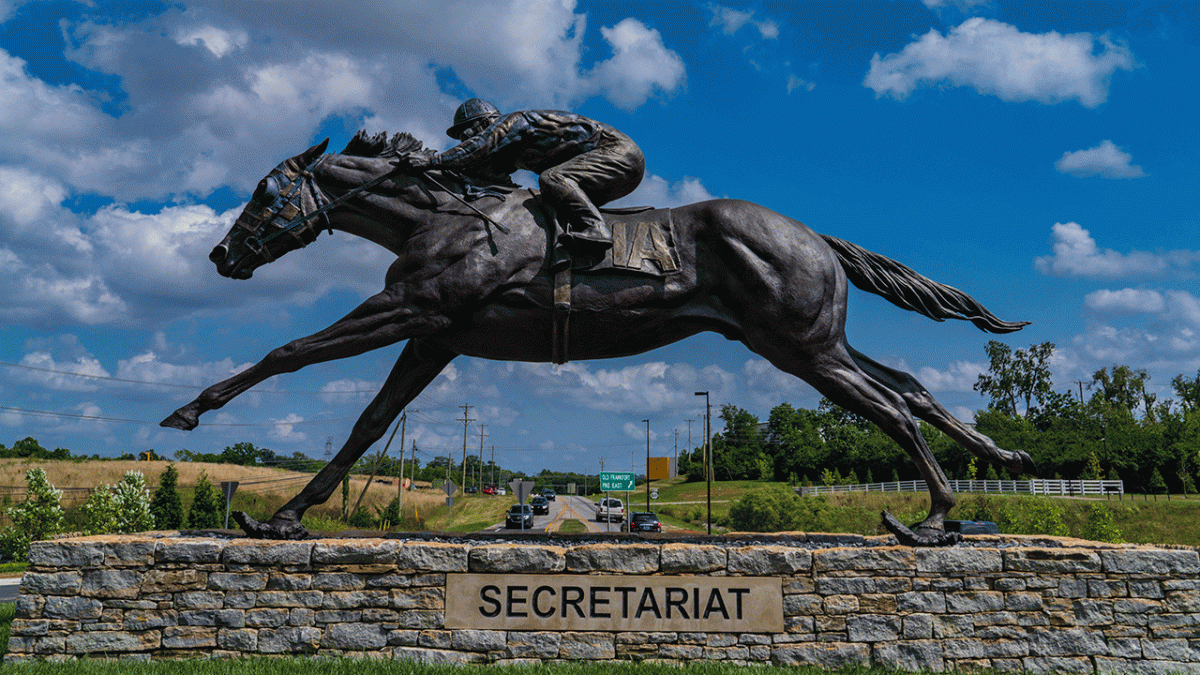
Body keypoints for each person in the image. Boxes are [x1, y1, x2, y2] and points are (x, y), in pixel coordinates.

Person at [394, 99, 645, 256]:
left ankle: (596, 230)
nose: (464, 139)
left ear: (484, 123)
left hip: (619, 155)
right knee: (552, 197)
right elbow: (483, 172)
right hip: (612, 166)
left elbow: (478, 148)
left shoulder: (513, 123)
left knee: (552, 179)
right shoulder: (510, 150)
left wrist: (433, 160)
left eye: (465, 133)